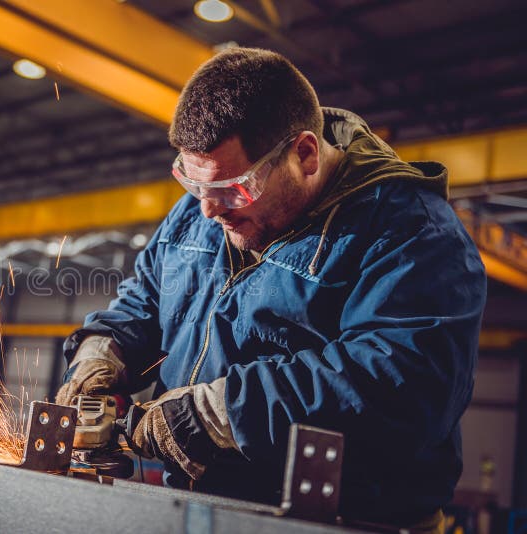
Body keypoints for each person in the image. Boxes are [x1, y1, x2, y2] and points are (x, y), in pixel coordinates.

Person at [55, 47, 486, 529]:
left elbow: (400, 385)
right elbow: (147, 297)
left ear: (305, 154)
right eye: (194, 186)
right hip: (194, 510)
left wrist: (217, 413)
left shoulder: (411, 232)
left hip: (346, 523)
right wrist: (101, 353)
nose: (209, 211)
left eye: (233, 189)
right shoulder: (203, 209)